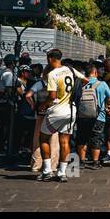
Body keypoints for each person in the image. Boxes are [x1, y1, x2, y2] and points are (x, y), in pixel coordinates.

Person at [37, 50, 75, 183]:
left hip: (57, 110)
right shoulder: (69, 70)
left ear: (50, 59)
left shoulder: (52, 74)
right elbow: (84, 79)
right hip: (71, 110)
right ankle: (62, 172)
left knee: (43, 138)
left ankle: (47, 171)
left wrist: (43, 105)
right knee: (64, 141)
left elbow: (52, 96)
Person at [75, 61, 110, 169]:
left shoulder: (80, 84)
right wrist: (106, 105)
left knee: (82, 138)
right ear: (95, 73)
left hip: (82, 116)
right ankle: (95, 162)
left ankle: (81, 161)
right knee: (96, 138)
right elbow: (109, 98)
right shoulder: (102, 84)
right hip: (98, 116)